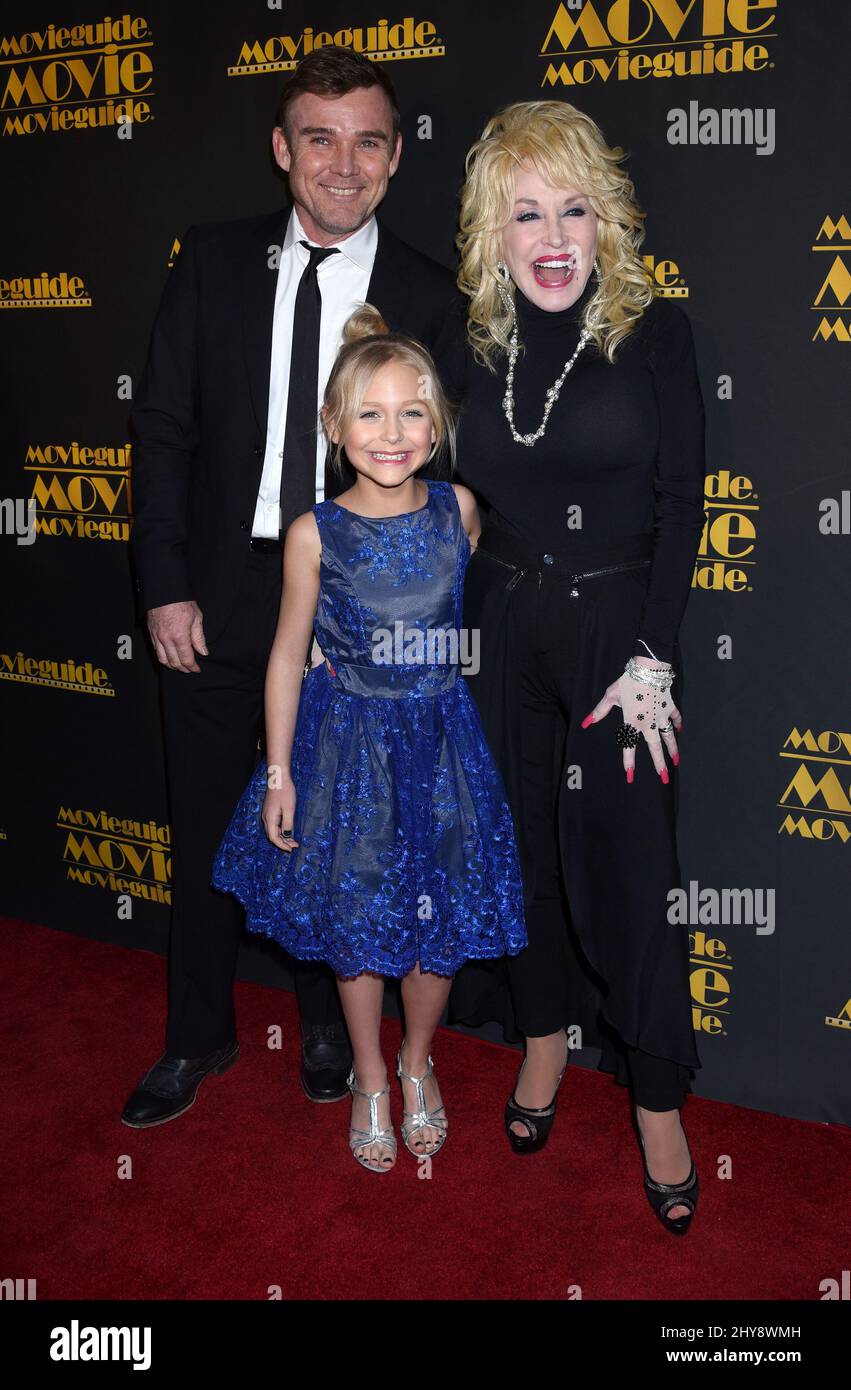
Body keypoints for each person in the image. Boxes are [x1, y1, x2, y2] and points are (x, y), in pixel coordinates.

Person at [122, 46, 462, 1129]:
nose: (342, 162)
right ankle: (197, 1034)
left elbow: (440, 467)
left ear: (396, 155)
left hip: (358, 603)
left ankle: (327, 1028)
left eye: (367, 140)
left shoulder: (425, 289)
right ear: (282, 149)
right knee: (204, 821)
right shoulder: (213, 261)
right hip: (222, 590)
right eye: (319, 137)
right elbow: (164, 430)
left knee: (341, 829)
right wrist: (165, 583)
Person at [442, 100, 707, 1233]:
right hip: (500, 623)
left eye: (573, 208)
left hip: (618, 641)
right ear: (489, 232)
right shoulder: (467, 341)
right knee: (520, 861)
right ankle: (541, 1042)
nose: (551, 236)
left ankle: (655, 1101)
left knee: (631, 879)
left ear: (605, 218)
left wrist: (653, 654)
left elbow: (680, 503)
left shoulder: (656, 331)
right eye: (524, 212)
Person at [210, 306, 527, 1172]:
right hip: (347, 746)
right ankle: (371, 1074)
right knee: (360, 922)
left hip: (440, 742)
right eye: (371, 415)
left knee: (438, 918)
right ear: (334, 426)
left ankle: (420, 1063)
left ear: (438, 424)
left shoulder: (460, 511)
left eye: (412, 412)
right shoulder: (313, 532)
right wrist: (279, 772)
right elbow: (285, 653)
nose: (392, 434)